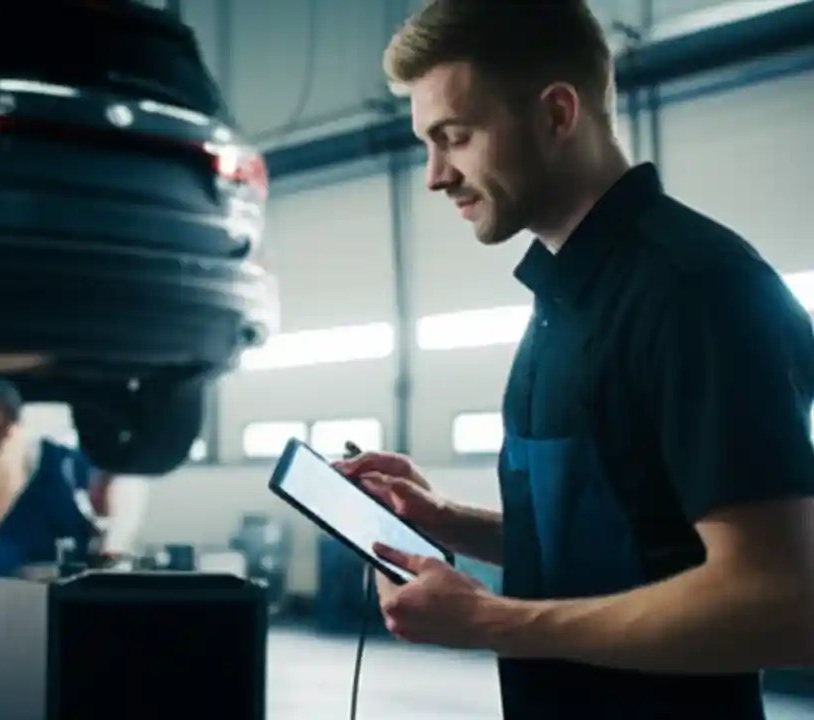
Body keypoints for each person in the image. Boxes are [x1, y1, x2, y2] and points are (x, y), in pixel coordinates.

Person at [333, 1, 814, 717]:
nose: (435, 176)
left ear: (558, 114)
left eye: (455, 137)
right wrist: (445, 520)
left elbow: (783, 599)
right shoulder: (564, 299)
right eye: (425, 145)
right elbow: (633, 540)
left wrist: (489, 621)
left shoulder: (695, 290)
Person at [0, 379, 112, 720]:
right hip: (28, 596)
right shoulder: (54, 458)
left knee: (0, 692)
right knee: (19, 690)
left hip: (5, 593)